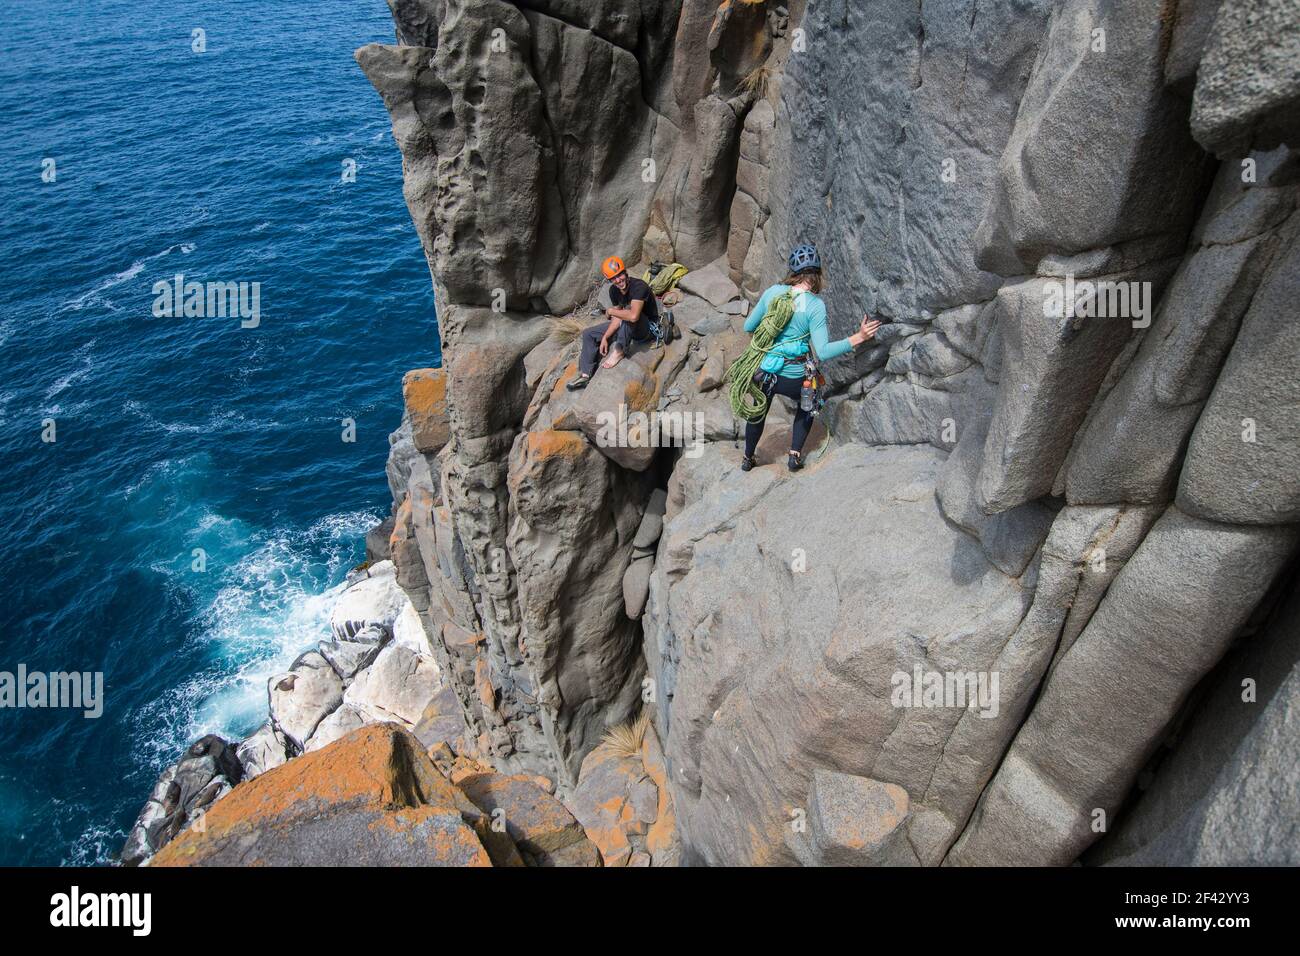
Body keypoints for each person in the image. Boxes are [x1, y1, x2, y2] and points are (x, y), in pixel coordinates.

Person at [739, 244, 881, 471]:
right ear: (816, 275)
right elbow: (822, 351)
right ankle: (794, 456)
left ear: (793, 272)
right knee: (809, 402)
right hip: (794, 376)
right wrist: (859, 337)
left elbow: (748, 325)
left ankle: (747, 458)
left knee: (759, 409)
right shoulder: (815, 306)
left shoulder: (773, 293)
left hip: (765, 371)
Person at [567, 256, 660, 391]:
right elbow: (616, 318)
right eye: (613, 278)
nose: (618, 280)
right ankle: (585, 375)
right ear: (610, 280)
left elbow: (633, 316)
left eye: (620, 275)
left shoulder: (639, 287)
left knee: (630, 315)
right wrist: (605, 337)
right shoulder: (613, 291)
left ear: (625, 272)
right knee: (588, 333)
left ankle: (619, 350)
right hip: (628, 325)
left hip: (646, 329)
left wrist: (610, 311)